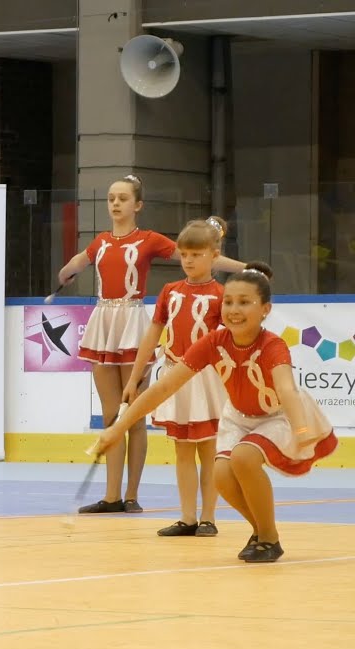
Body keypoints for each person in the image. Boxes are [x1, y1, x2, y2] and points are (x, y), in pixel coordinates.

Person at [96, 263, 338, 563]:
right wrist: (118, 428)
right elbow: (163, 388)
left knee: (245, 457)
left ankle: (268, 537)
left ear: (265, 309)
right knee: (222, 476)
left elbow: (287, 390)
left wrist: (301, 431)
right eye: (229, 301)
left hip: (280, 415)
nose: (234, 309)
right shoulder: (213, 342)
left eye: (245, 302)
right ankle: (264, 534)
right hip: (238, 417)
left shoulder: (273, 345)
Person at [58, 176, 245, 514]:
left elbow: (200, 256)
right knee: (112, 415)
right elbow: (78, 262)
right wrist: (66, 272)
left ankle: (131, 495)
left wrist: (247, 269)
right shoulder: (99, 242)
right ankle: (112, 495)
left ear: (138, 205)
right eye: (111, 198)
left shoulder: (148, 240)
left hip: (130, 321)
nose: (115, 204)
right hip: (103, 323)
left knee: (135, 414)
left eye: (123, 198)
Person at [122, 217, 228, 537]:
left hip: (205, 378)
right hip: (174, 374)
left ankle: (208, 517)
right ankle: (187, 517)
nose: (189, 260)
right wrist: (134, 377)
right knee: (182, 449)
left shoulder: (221, 294)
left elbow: (230, 341)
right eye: (183, 255)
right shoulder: (169, 292)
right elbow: (153, 333)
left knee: (208, 451)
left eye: (196, 254)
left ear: (214, 255)